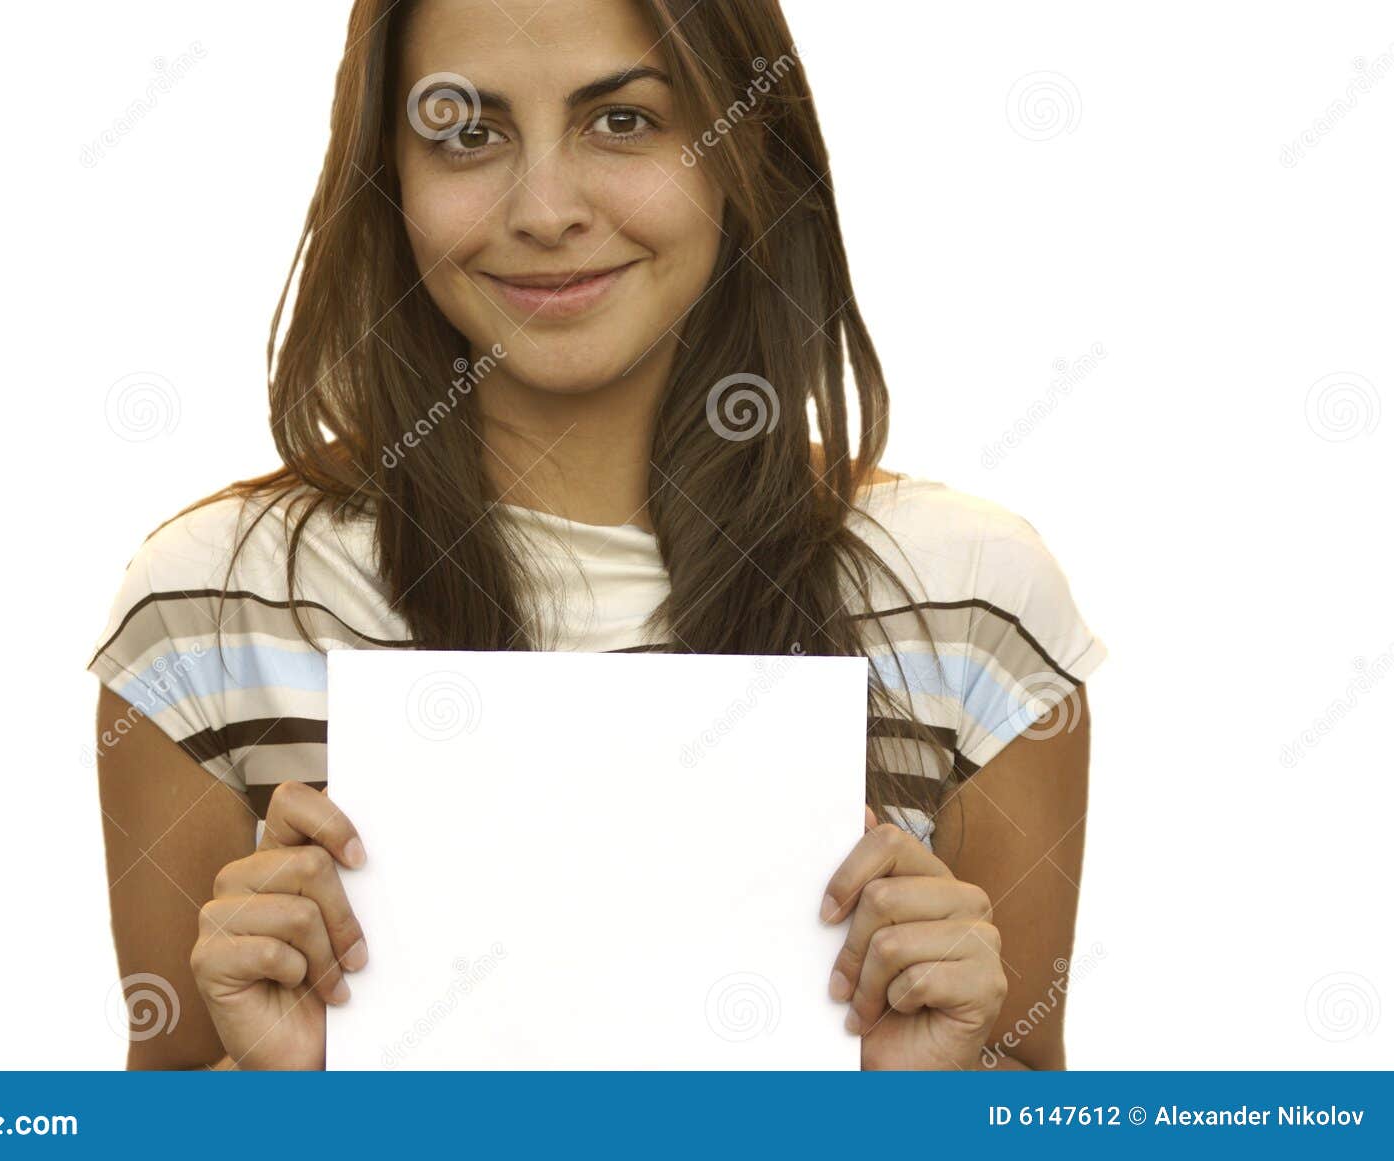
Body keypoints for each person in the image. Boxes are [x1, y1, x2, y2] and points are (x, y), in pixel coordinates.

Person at [87, 0, 1107, 1070]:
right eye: (464, 132)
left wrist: (923, 1105)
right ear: (387, 177)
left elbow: (1028, 1105)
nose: (544, 209)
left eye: (623, 122)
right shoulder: (208, 611)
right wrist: (275, 1100)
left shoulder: (970, 597)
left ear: (741, 149)